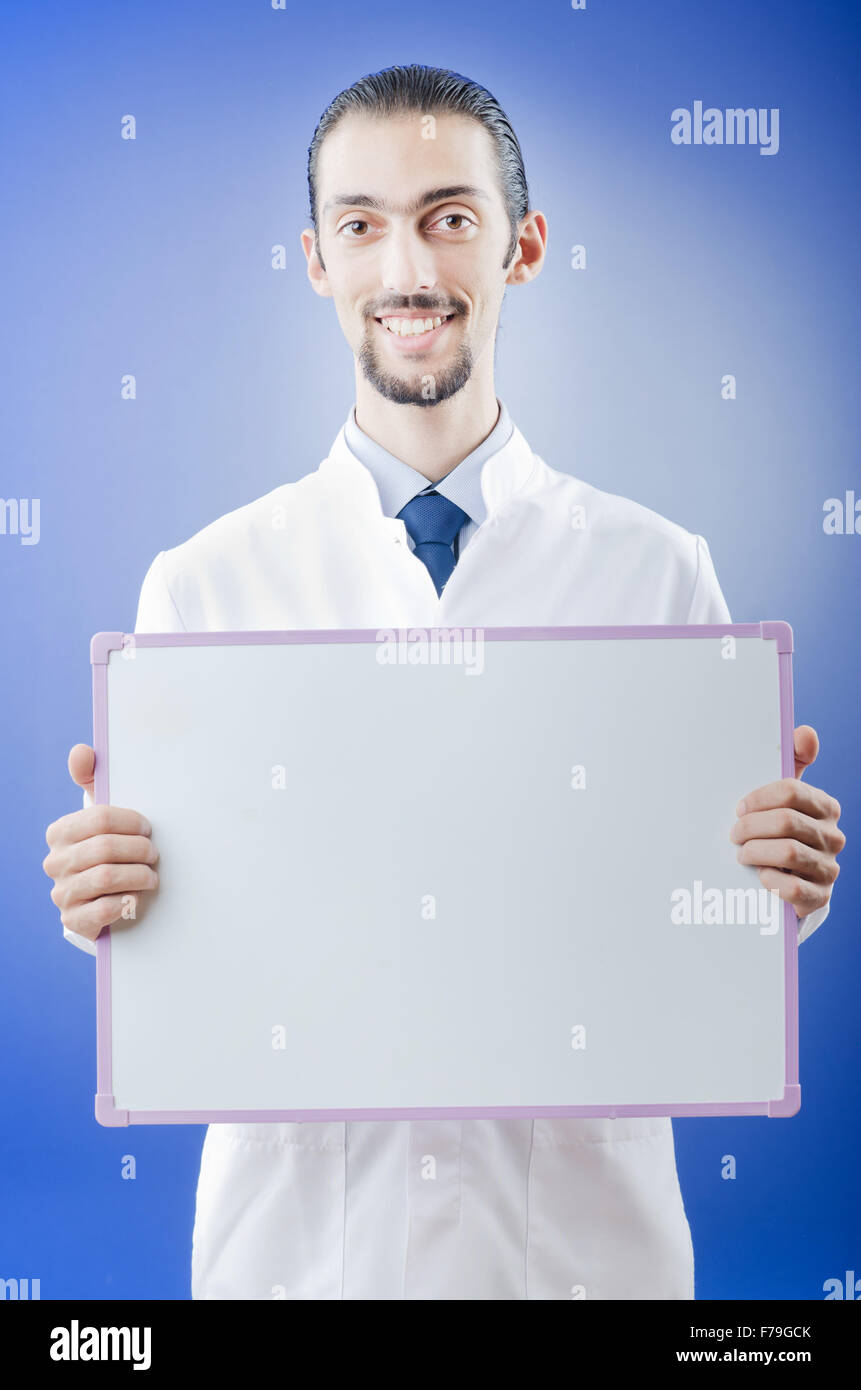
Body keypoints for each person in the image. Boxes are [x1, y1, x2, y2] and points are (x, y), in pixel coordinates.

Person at [42, 64, 845, 1300]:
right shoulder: (202, 588)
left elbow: (711, 937)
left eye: (448, 217)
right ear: (315, 259)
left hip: (587, 1262)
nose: (406, 268)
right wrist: (115, 907)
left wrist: (777, 884)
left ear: (522, 247)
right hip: (296, 1265)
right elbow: (182, 970)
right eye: (360, 223)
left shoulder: (658, 571)